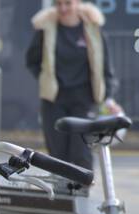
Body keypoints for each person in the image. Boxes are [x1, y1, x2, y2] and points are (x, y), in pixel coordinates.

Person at [25, 0, 119, 171]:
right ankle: (61, 194)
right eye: (59, 4)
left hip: (84, 99)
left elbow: (105, 67)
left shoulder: (93, 28)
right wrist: (46, 78)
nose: (63, 8)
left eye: (68, 3)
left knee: (81, 151)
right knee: (57, 153)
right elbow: (32, 60)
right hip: (54, 99)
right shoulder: (45, 29)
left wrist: (109, 98)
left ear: (78, 4)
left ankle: (82, 193)